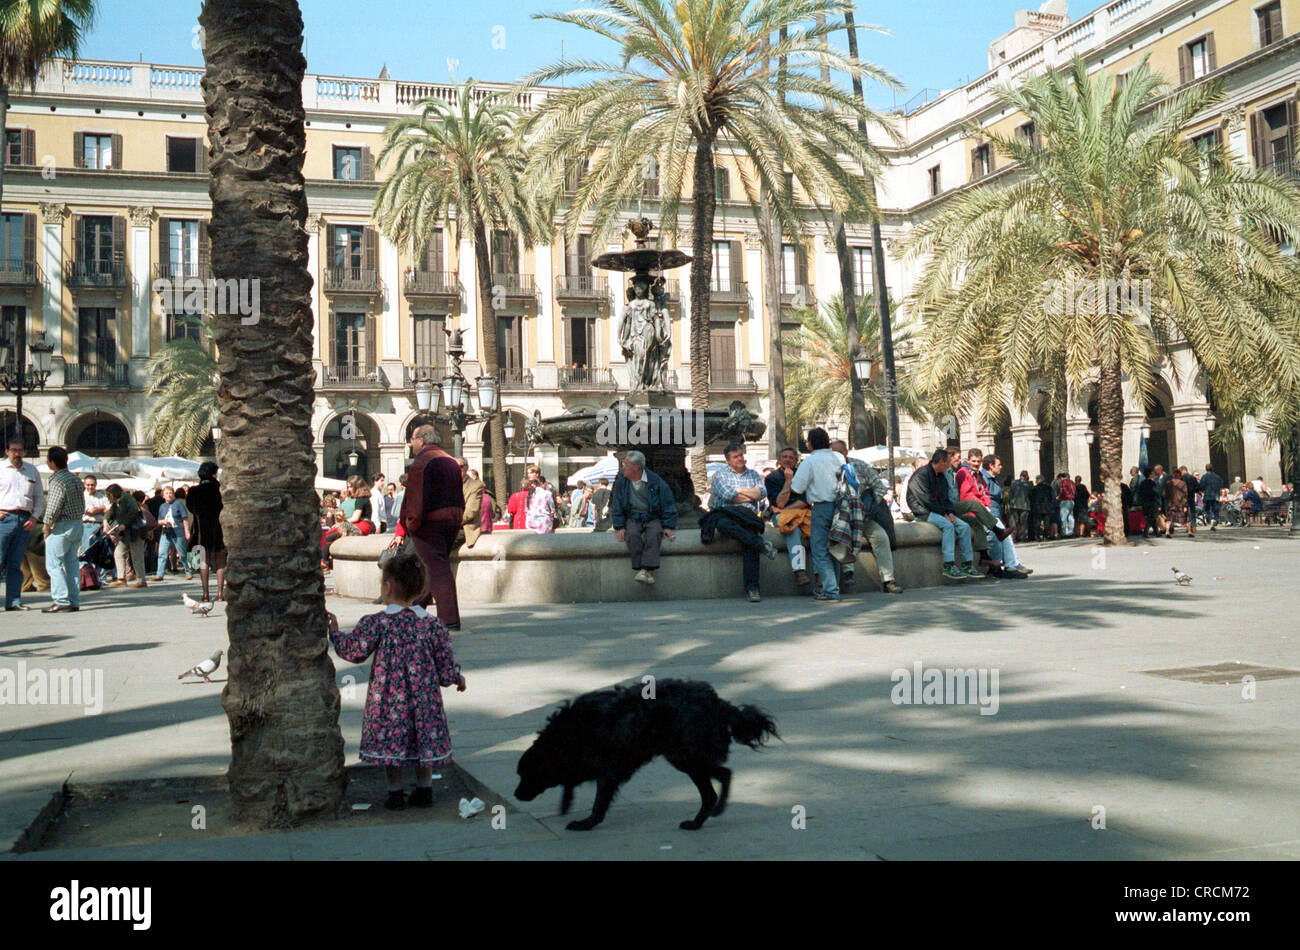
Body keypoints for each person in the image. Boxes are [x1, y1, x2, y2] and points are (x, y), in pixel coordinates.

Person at [328, 552, 466, 811]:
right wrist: (456, 677)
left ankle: (395, 794)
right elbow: (444, 662)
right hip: (424, 700)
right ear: (421, 588)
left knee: (393, 743)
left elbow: (355, 650)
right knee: (421, 743)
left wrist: (335, 635)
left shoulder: (378, 623)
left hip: (390, 701)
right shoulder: (433, 626)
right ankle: (425, 791)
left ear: (387, 588)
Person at [399, 424, 464, 630]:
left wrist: (410, 523)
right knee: (431, 567)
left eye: (412, 439)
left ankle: (449, 619)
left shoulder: (422, 462)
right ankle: (413, 612)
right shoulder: (451, 461)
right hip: (452, 520)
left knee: (438, 570)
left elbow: (414, 498)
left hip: (429, 523)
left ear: (421, 440)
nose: (411, 443)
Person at [703, 443, 777, 602]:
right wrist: (751, 494)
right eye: (736, 457)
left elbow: (761, 493)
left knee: (749, 541)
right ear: (728, 460)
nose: (740, 459)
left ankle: (753, 588)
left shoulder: (753, 474)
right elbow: (730, 496)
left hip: (748, 515)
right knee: (723, 525)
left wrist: (739, 489)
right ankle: (761, 544)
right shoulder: (720, 476)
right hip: (728, 513)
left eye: (741, 455)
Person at [830, 439, 904, 594]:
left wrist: (869, 506)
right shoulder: (828, 469)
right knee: (843, 533)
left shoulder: (860, 465)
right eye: (833, 453)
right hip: (841, 517)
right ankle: (848, 572)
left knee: (881, 538)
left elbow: (878, 486)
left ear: (846, 452)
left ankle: (888, 579)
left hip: (865, 515)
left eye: (839, 452)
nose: (836, 455)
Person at [791, 428, 847, 602]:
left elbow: (797, 487)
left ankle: (830, 590)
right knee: (835, 547)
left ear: (810, 444)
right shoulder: (839, 457)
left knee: (820, 550)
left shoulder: (810, 461)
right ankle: (834, 586)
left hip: (822, 507)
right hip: (841, 507)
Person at [907, 448, 978, 580]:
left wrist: (950, 512)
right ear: (940, 462)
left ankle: (967, 564)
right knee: (948, 527)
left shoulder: (941, 477)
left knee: (964, 527)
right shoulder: (921, 475)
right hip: (923, 511)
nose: (948, 466)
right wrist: (944, 514)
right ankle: (948, 564)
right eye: (946, 463)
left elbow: (946, 499)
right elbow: (926, 499)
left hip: (938, 511)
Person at [610, 450, 678, 584]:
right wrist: (620, 527)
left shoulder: (655, 481)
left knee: (654, 533)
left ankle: (644, 569)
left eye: (626, 463)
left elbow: (667, 503)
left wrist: (668, 526)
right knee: (632, 534)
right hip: (633, 516)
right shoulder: (621, 482)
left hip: (651, 516)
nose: (623, 466)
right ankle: (643, 570)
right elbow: (616, 504)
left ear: (636, 467)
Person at [0, 436, 43, 611]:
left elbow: (38, 497)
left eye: (20, 450)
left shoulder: (32, 471)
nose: (17, 454)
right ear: (7, 451)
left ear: (25, 452)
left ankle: (13, 601)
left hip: (24, 521)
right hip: (4, 519)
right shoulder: (1, 468)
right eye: (13, 450)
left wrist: (34, 517)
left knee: (16, 564)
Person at [41, 446, 85, 613]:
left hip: (63, 526)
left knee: (54, 564)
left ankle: (61, 599)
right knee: (72, 563)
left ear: (52, 462)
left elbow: (53, 506)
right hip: (77, 523)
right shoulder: (75, 479)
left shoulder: (58, 480)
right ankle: (74, 600)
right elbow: (82, 503)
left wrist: (46, 527)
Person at [765, 446, 811, 595]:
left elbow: (804, 501)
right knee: (792, 529)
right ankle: (799, 572)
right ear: (779, 459)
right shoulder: (772, 478)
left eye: (791, 457)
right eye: (785, 457)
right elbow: (779, 503)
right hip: (783, 516)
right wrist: (788, 481)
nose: (787, 460)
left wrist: (785, 510)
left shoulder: (803, 476)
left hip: (800, 513)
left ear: (796, 461)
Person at [187, 461, 227, 602]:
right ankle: (220, 593)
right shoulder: (220, 489)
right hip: (219, 527)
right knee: (220, 561)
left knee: (203, 561)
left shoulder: (193, 491)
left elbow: (191, 509)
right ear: (214, 473)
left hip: (201, 530)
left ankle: (205, 593)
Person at [104, 484, 147, 589]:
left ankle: (141, 581)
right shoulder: (117, 501)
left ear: (115, 493)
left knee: (137, 556)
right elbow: (110, 512)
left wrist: (125, 524)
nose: (109, 497)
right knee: (118, 553)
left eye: (110, 495)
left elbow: (134, 512)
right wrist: (105, 521)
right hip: (126, 534)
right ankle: (121, 579)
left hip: (135, 532)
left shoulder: (127, 498)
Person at [154, 485, 192, 581]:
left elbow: (185, 518)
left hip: (178, 532)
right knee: (162, 553)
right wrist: (162, 522)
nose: (169, 495)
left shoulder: (178, 504)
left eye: (170, 493)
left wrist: (187, 532)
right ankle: (160, 574)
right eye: (167, 493)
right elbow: (158, 520)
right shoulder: (162, 506)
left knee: (182, 553)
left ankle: (187, 571)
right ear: (163, 496)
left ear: (173, 494)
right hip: (166, 532)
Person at [456, 458, 485, 549]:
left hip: (464, 528)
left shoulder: (476, 486)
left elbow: (470, 512)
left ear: (466, 468)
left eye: (460, 467)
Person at [1006, 470, 1033, 541]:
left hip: (1014, 505)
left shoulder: (1014, 483)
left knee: (1013, 522)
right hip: (1025, 506)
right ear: (1027, 476)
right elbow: (1031, 495)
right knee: (1023, 522)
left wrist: (1010, 502)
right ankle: (1022, 536)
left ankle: (1013, 537)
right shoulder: (1029, 484)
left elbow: (1010, 494)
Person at [1137, 468, 1161, 539]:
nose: (1154, 474)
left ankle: (1156, 532)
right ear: (1150, 474)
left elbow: (1140, 493)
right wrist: (1158, 503)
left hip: (1145, 502)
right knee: (1151, 517)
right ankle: (1146, 532)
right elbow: (1155, 493)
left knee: (1151, 517)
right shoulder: (1152, 483)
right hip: (1152, 502)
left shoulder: (1142, 483)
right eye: (1153, 473)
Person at [1029, 474, 1054, 542]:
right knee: (1046, 523)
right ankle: (1045, 536)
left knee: (1037, 523)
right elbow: (1052, 497)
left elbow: (1031, 498)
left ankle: (1037, 537)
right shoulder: (1049, 487)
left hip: (1037, 508)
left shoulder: (1034, 488)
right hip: (1047, 508)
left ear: (1038, 480)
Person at [1200, 462, 1224, 530]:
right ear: (1213, 469)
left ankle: (1211, 519)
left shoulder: (1204, 476)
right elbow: (1221, 484)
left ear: (1206, 469)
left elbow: (1201, 486)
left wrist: (1202, 490)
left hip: (1207, 495)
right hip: (1216, 495)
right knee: (1216, 509)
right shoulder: (1217, 476)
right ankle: (1215, 519)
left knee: (1206, 509)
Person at [1056, 471, 1076, 538]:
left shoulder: (1063, 482)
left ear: (1061, 477)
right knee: (1071, 517)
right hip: (1072, 501)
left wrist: (1059, 497)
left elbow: (1062, 491)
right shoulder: (1072, 482)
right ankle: (1071, 532)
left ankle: (1063, 533)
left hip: (1065, 501)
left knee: (1063, 518)